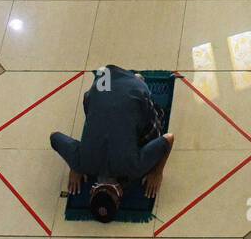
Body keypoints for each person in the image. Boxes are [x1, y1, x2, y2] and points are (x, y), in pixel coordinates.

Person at [50, 66, 175, 222]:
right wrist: (74, 165)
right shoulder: (81, 162)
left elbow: (168, 138)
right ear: (92, 192)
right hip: (103, 79)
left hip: (135, 88)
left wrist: (157, 172)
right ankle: (130, 81)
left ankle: (138, 80)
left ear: (119, 194)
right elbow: (54, 137)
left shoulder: (134, 168)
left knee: (152, 132)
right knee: (94, 104)